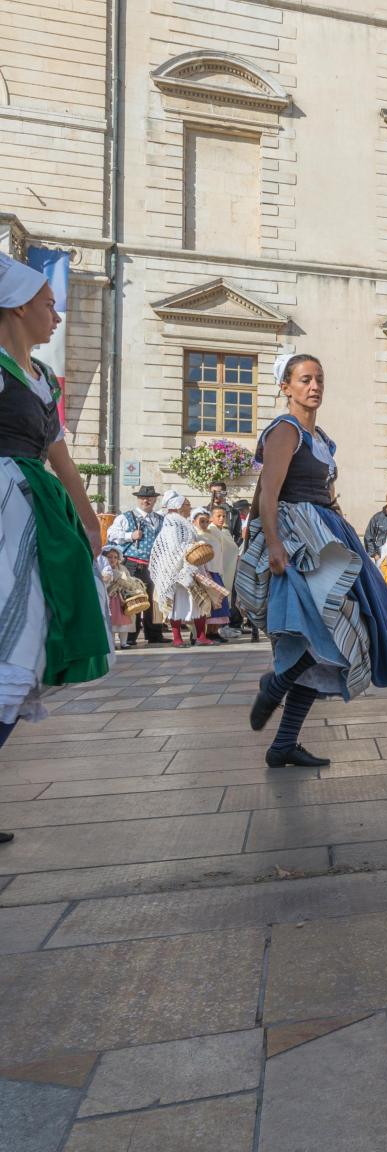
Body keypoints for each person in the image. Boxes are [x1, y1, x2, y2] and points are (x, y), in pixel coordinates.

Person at [236, 353, 387, 767]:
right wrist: (270, 543)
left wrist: (346, 529)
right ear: (286, 387)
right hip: (299, 535)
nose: (314, 387)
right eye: (305, 379)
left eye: (319, 380)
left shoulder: (322, 439)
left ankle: (282, 744)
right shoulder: (284, 431)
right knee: (328, 628)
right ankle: (275, 686)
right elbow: (269, 492)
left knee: (356, 624)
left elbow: (328, 494)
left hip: (328, 531)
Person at [0, 253, 111, 845]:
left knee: (32, 646)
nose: (57, 314)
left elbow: (61, 458)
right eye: (48, 304)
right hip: (4, 510)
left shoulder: (41, 378)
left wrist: (90, 523)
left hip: (38, 512)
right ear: (17, 306)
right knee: (13, 649)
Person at [150, 492, 219, 647]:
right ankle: (177, 638)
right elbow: (175, 547)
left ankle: (200, 636)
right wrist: (193, 547)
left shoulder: (183, 521)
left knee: (198, 601)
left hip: (192, 566)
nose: (189, 507)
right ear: (178, 506)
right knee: (177, 604)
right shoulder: (172, 523)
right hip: (177, 570)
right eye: (187, 504)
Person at [109, 484, 166, 646]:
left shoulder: (159, 519)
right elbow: (111, 534)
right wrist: (130, 535)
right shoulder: (126, 517)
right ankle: (131, 636)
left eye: (149, 497)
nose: (145, 500)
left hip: (154, 565)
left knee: (154, 600)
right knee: (132, 599)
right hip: (133, 564)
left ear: (155, 499)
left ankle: (154, 634)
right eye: (142, 497)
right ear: (138, 499)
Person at [195, 506, 239, 639]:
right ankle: (207, 632)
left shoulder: (218, 531)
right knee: (212, 602)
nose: (221, 519)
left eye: (223, 516)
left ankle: (214, 631)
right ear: (212, 518)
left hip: (218, 570)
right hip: (208, 571)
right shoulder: (205, 532)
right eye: (218, 516)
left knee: (220, 602)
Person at [97, 544, 140, 649]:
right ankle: (112, 643)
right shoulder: (102, 569)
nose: (113, 559)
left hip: (121, 599)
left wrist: (126, 584)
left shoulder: (122, 569)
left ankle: (123, 642)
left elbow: (128, 580)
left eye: (115, 557)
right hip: (111, 599)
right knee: (112, 622)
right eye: (109, 557)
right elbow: (105, 581)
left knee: (124, 622)